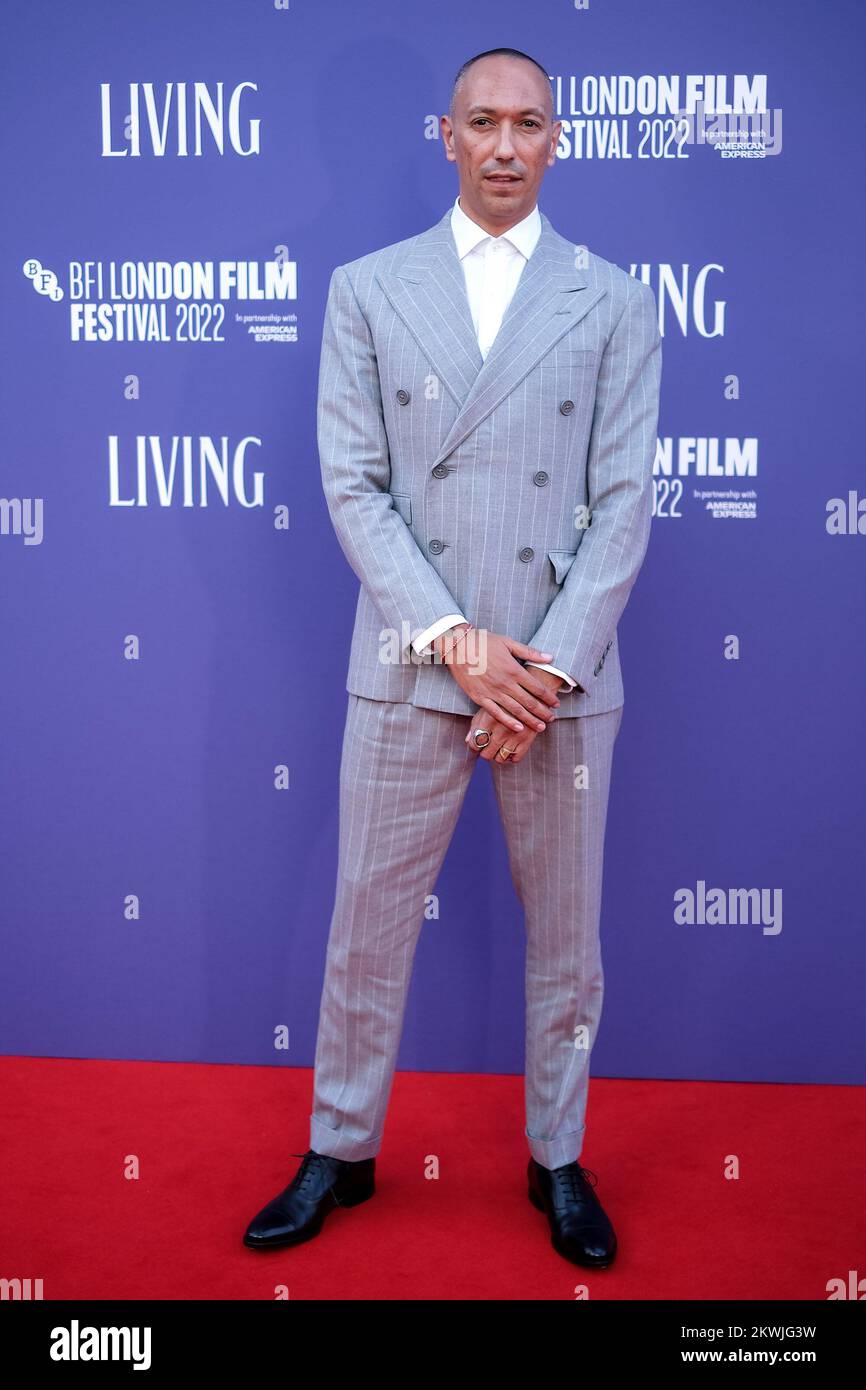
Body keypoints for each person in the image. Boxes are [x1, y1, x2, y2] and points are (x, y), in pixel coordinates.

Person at [244, 45, 662, 1268]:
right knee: (366, 927)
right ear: (445, 135)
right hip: (411, 661)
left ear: (556, 139)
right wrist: (459, 644)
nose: (503, 146)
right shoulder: (368, 289)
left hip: (557, 681)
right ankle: (340, 1147)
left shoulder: (612, 299)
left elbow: (623, 502)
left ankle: (557, 1156)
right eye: (481, 122)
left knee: (567, 944)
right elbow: (353, 484)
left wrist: (543, 670)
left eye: (527, 123)